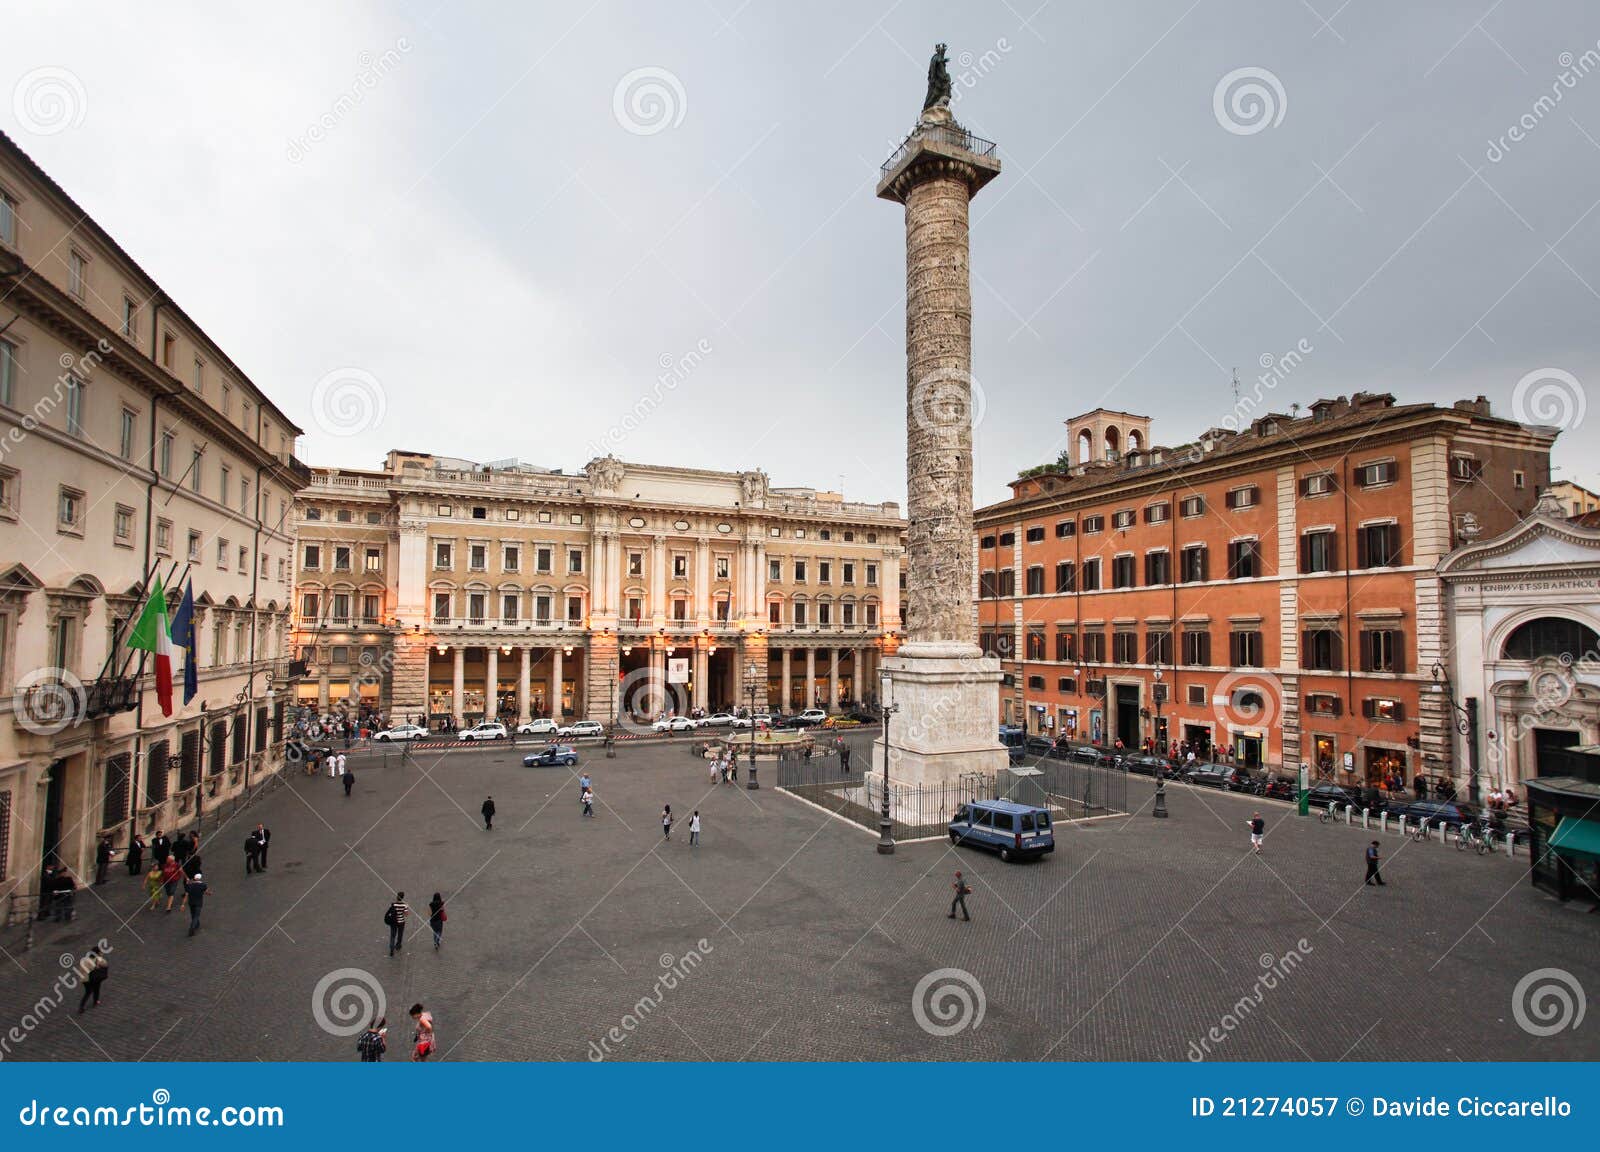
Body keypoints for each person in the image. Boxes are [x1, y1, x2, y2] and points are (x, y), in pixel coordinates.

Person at [77, 947, 109, 1013]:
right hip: (94, 978)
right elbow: (105, 964)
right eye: (100, 952)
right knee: (96, 989)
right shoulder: (98, 959)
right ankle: (95, 1001)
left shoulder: (84, 960)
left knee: (88, 992)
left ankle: (81, 1006)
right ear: (98, 953)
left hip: (84, 979)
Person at [184, 872, 209, 936]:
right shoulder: (203, 885)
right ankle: (192, 927)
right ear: (200, 878)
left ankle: (197, 924)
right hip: (198, 903)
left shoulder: (189, 885)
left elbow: (186, 895)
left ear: (194, 878)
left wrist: (183, 904)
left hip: (191, 902)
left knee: (193, 914)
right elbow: (206, 892)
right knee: (196, 915)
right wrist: (209, 893)